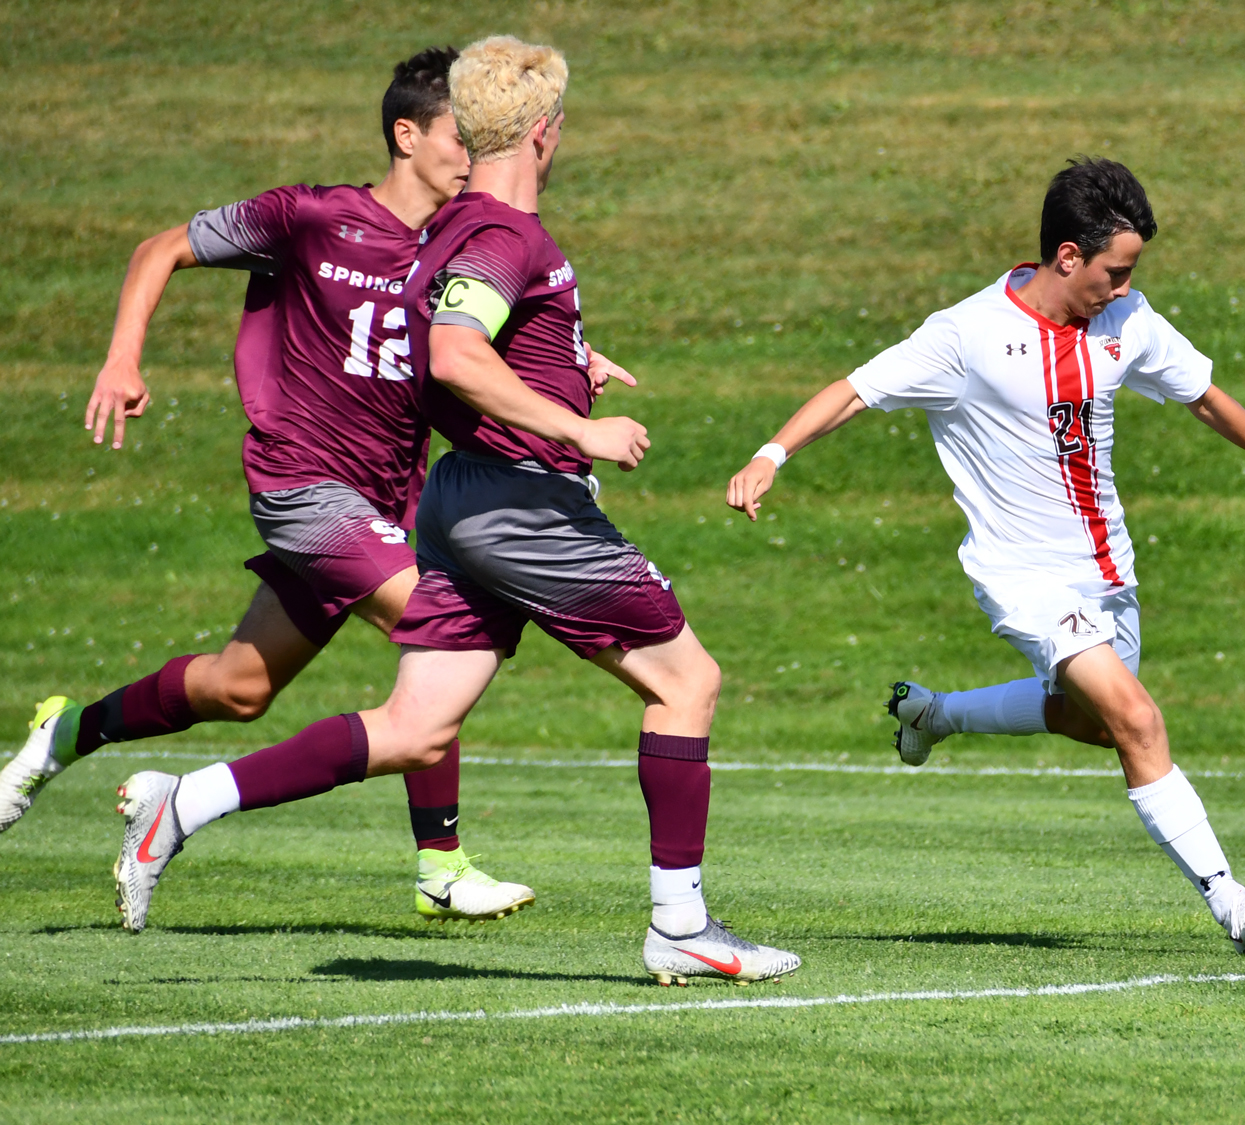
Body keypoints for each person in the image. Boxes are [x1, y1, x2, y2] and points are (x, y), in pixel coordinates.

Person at [108, 36, 801, 985]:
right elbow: (456, 356)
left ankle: (181, 805)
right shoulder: (508, 236)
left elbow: (449, 336)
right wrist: (579, 426)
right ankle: (680, 923)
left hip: (458, 499)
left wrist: (565, 359)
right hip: (523, 505)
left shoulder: (446, 229)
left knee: (414, 729)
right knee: (688, 683)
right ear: (545, 134)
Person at [726, 158, 1245, 954]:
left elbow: (1202, 394)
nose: (1123, 287)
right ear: (1066, 256)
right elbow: (854, 388)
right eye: (1114, 271)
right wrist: (771, 454)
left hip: (1108, 571)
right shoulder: (967, 335)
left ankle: (935, 713)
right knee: (1138, 717)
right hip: (1020, 576)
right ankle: (1229, 900)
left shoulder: (1127, 321)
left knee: (1091, 722)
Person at [0, 46, 549, 922]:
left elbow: (477, 345)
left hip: (385, 500)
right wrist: (121, 358)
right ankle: (440, 865)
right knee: (437, 627)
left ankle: (64, 734)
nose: (474, 153)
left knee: (236, 688)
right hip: (303, 485)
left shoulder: (462, 245)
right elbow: (158, 250)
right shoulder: (308, 216)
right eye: (460, 135)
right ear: (407, 135)